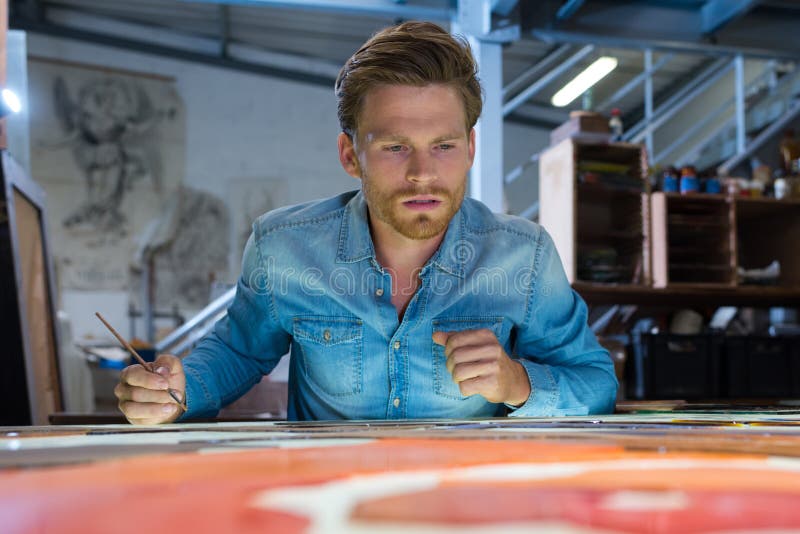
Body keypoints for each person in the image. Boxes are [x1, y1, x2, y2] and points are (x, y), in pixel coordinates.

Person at [114, 21, 617, 424]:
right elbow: (239, 354)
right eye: (395, 147)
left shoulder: (523, 256)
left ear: (470, 149)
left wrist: (517, 383)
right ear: (351, 155)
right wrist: (178, 392)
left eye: (443, 146)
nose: (423, 174)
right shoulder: (282, 248)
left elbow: (596, 384)